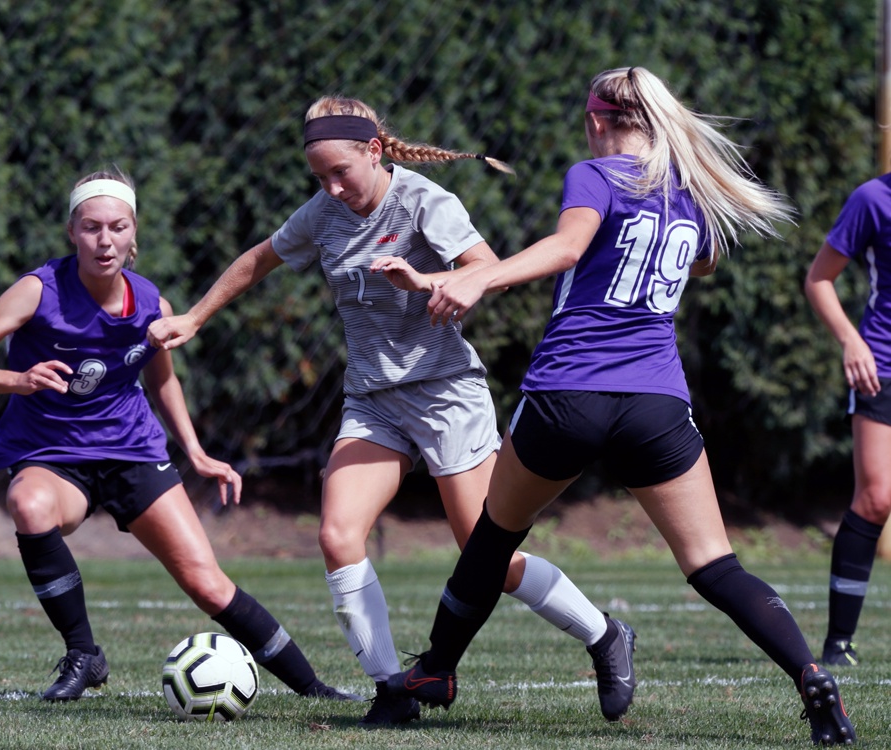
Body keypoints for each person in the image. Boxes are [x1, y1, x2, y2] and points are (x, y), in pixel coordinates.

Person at [382, 67, 857, 746]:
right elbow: (703, 261)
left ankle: (436, 671)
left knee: (492, 536)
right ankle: (809, 672)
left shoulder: (595, 176)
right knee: (714, 564)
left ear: (601, 119)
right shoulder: (691, 195)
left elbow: (569, 247)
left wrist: (470, 278)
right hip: (655, 404)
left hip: (568, 394)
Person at [147, 96, 638, 727]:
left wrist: (421, 280)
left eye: (340, 173)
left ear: (374, 151)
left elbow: (487, 271)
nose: (331, 188)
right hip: (374, 401)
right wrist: (192, 316)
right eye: (318, 177)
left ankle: (604, 635)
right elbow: (258, 259)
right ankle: (392, 690)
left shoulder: (424, 201)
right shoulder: (323, 213)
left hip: (446, 394)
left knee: (486, 554)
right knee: (336, 534)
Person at [0, 168, 357, 704]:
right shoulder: (36, 291)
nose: (104, 240)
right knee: (29, 504)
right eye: (91, 227)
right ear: (72, 232)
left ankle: (313, 687)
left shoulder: (150, 302)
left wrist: (198, 453)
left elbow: (163, 382)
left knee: (206, 583)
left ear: (134, 233)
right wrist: (16, 380)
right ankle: (84, 655)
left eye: (117, 227)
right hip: (53, 454)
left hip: (133, 451)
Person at [804, 173, 891, 668]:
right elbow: (819, 279)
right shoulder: (873, 199)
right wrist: (850, 340)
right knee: (876, 498)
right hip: (882, 366)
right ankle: (839, 642)